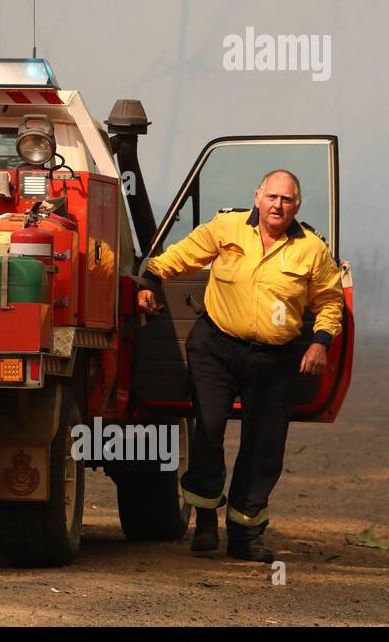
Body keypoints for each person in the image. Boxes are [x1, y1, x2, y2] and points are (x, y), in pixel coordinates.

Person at [136, 169, 344, 561]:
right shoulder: (226, 227)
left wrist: (320, 343)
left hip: (275, 359)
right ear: (258, 197)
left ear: (297, 206)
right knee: (209, 432)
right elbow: (182, 255)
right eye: (272, 197)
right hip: (216, 349)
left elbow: (330, 302)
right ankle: (205, 521)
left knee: (263, 448)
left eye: (286, 199)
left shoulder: (312, 249)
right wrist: (150, 280)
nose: (278, 205)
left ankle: (245, 535)